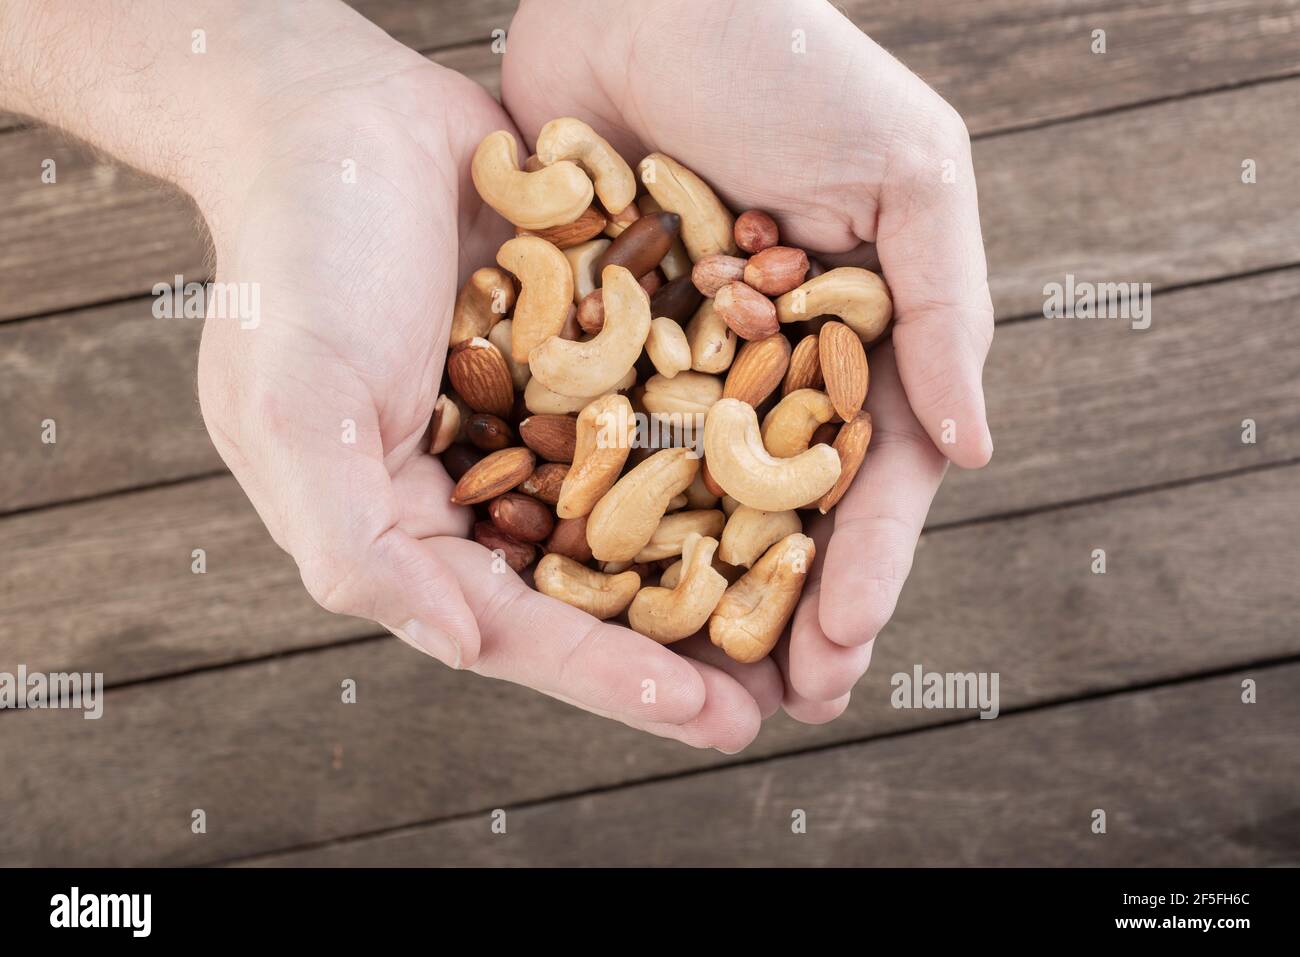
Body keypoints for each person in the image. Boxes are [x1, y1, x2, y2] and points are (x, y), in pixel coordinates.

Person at [0, 0, 993, 753]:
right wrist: (277, 104)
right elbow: (622, 436)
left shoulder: (658, 356)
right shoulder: (596, 337)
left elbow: (635, 456)